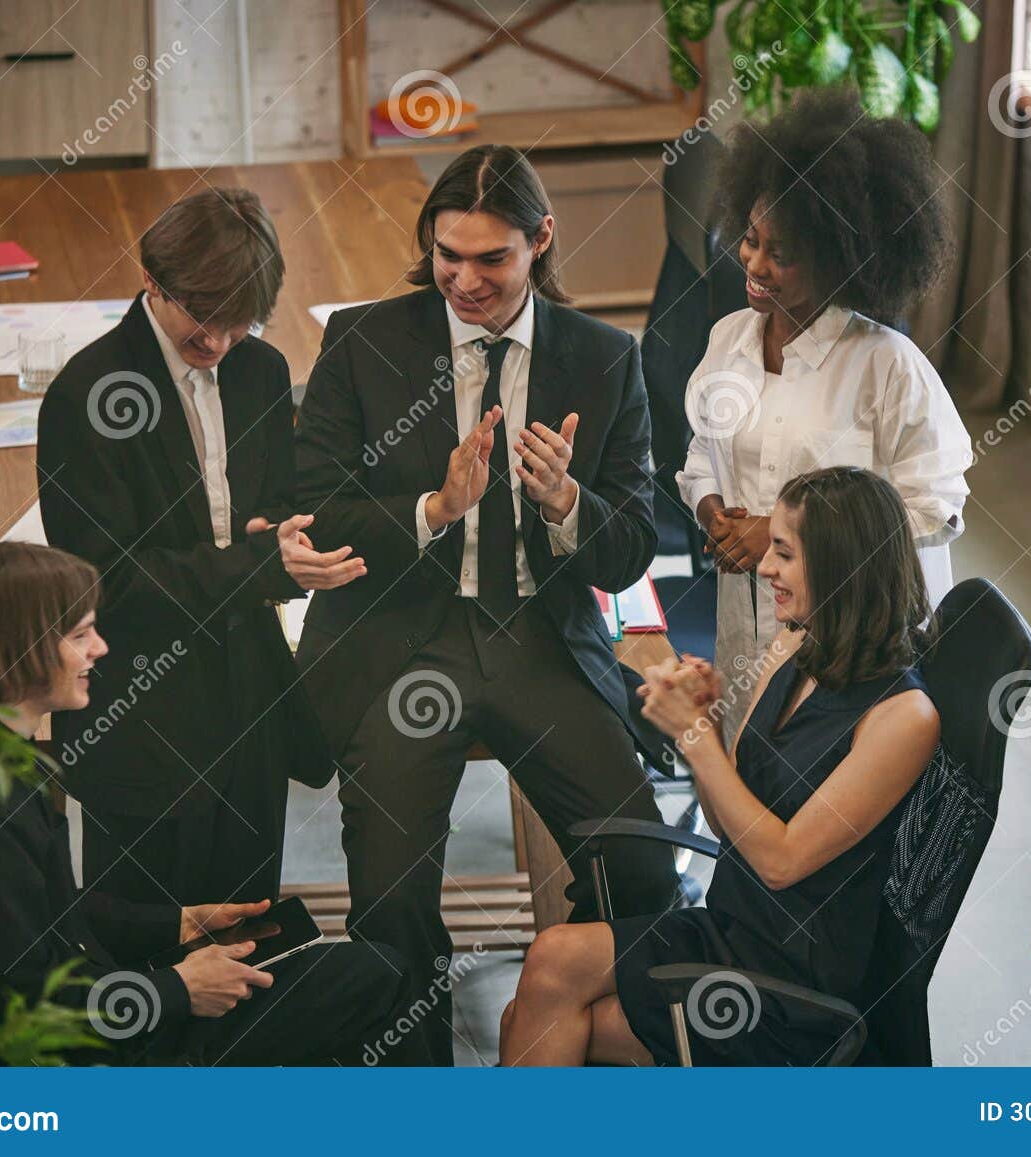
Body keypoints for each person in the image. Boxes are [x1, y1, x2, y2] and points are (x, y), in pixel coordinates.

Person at [293, 144, 681, 1065]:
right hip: (402, 640)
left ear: (540, 241)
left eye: (491, 259)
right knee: (387, 900)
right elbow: (316, 506)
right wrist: (432, 509)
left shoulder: (605, 358)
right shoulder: (363, 340)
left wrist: (568, 509)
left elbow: (632, 548)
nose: (463, 280)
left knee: (641, 868)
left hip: (537, 639)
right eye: (447, 255)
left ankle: (580, 1039)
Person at [0, 541, 428, 1065]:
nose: (100, 649)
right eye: (81, 635)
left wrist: (179, 924)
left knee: (360, 973)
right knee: (375, 977)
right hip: (96, 1053)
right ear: (23, 650)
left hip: (110, 1007)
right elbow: (21, 1003)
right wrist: (176, 989)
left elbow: (48, 916)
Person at [499, 467, 943, 1066]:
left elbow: (781, 862)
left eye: (784, 553)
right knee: (549, 960)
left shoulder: (904, 717)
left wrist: (695, 735)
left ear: (840, 566)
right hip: (733, 929)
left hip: (794, 987)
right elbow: (728, 813)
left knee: (547, 1020)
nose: (764, 568)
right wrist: (701, 727)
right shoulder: (794, 645)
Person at [37, 188, 361, 906]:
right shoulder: (84, 397)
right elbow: (106, 585)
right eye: (201, 319)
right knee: (153, 949)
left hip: (249, 697)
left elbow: (276, 500)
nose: (216, 342)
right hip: (140, 712)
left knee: (248, 927)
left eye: (238, 324)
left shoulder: (263, 372)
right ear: (152, 280)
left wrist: (277, 537)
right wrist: (256, 561)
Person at [678, 85, 974, 735]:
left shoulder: (886, 367)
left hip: (849, 652)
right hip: (746, 628)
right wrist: (713, 510)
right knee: (743, 780)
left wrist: (791, 541)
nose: (753, 264)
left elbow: (932, 509)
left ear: (838, 260)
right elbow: (704, 451)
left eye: (780, 254)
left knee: (812, 809)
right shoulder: (729, 339)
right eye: (750, 239)